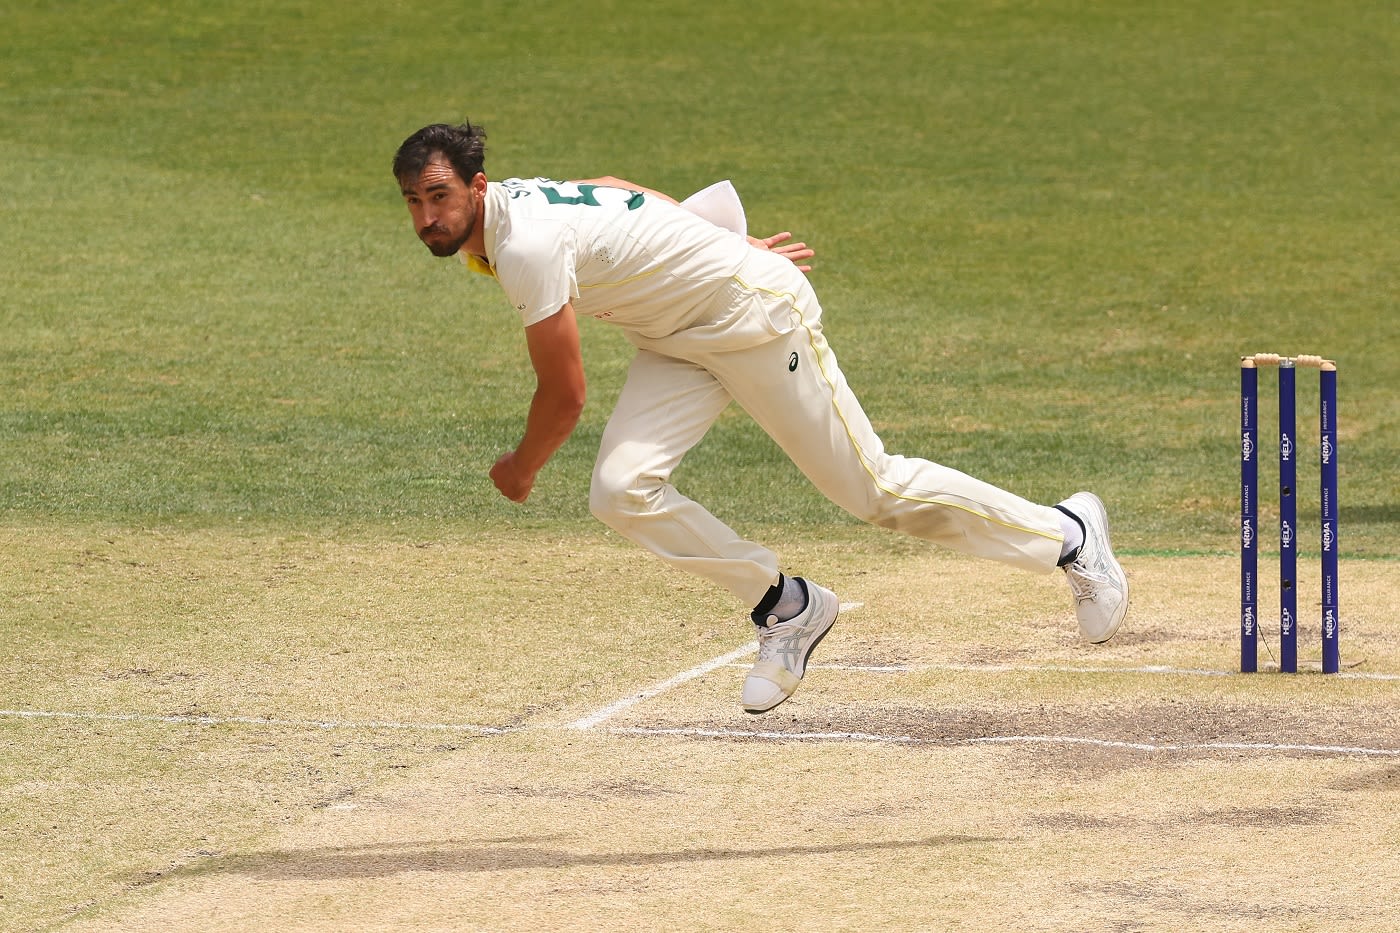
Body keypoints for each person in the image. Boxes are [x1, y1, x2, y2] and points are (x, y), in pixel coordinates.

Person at [392, 121, 1129, 714]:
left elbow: (566, 393)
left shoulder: (524, 245)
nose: (428, 217)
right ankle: (787, 606)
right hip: (677, 338)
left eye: (439, 196)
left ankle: (1068, 534)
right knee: (620, 492)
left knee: (874, 491)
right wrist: (717, 239)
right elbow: (618, 190)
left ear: (476, 186)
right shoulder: (509, 210)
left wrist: (521, 467)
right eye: (414, 202)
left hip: (754, 317)